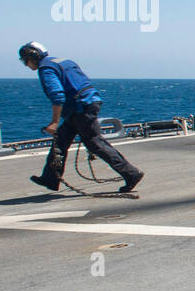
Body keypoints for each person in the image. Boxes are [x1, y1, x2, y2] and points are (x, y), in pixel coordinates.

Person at [18, 42, 143, 194]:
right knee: (61, 140)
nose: (26, 64)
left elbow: (57, 95)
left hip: (80, 109)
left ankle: (131, 173)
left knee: (95, 143)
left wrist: (54, 122)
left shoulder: (46, 69)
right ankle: (50, 178)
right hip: (86, 104)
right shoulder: (64, 61)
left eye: (25, 60)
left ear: (33, 56)